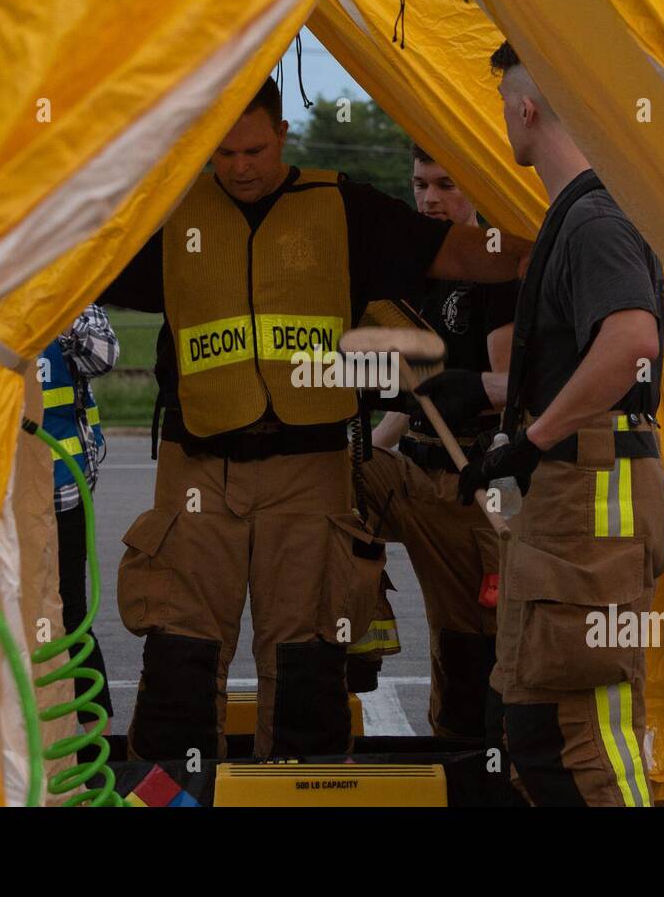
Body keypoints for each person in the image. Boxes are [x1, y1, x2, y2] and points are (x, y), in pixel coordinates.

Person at [99, 77, 531, 762]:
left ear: (283, 136)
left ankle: (304, 790)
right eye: (223, 152)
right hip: (198, 468)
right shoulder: (172, 212)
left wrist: (550, 241)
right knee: (179, 655)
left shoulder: (342, 208)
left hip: (310, 470)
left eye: (253, 149)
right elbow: (80, 262)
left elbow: (460, 254)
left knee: (307, 661)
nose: (239, 166)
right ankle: (171, 794)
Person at [422, 42, 664, 806]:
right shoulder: (574, 219)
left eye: (503, 106)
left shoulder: (595, 219)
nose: (503, 120)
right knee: (530, 723)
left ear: (525, 109)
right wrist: (493, 397)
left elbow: (631, 347)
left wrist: (528, 439)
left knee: (584, 727)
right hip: (572, 502)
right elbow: (585, 362)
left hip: (592, 502)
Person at [355, 144, 517, 737]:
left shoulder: (494, 267)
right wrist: (370, 449)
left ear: (476, 191)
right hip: (416, 473)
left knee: (468, 648)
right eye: (420, 184)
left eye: (446, 184)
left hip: (472, 489)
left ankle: (471, 765)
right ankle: (359, 633)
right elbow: (414, 399)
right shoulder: (408, 276)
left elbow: (511, 391)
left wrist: (466, 390)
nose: (428, 199)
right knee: (339, 466)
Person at [40, 303, 120, 731]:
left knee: (70, 615)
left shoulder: (70, 296)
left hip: (63, 496)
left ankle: (95, 750)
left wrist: (58, 302)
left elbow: (104, 355)